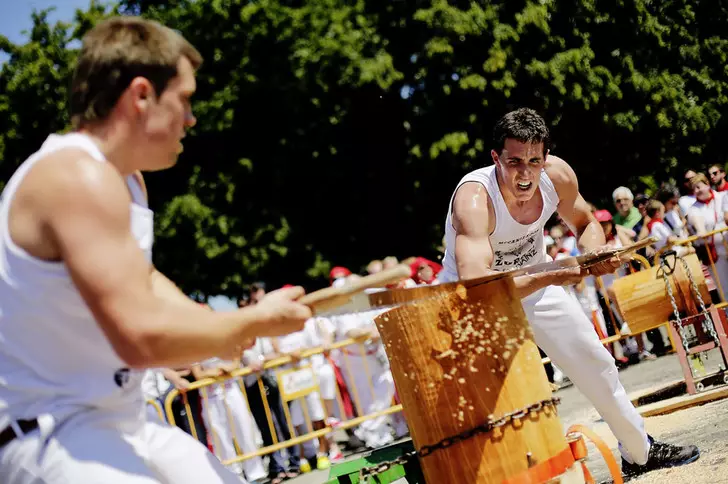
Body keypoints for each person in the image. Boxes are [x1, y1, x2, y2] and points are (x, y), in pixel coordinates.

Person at [0, 17, 311, 484]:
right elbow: (139, 338)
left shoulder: (126, 180)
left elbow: (144, 280)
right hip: (48, 433)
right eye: (184, 100)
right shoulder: (74, 176)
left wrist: (225, 330)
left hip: (119, 420)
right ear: (141, 95)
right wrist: (247, 325)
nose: (191, 118)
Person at [439, 108, 699, 480]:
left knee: (596, 363)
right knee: (489, 405)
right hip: (476, 301)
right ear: (496, 158)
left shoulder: (557, 176)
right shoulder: (474, 199)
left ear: (545, 158)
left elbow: (586, 222)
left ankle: (639, 453)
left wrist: (592, 256)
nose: (525, 173)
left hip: (538, 285)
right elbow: (480, 285)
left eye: (534, 161)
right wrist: (559, 271)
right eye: (514, 162)